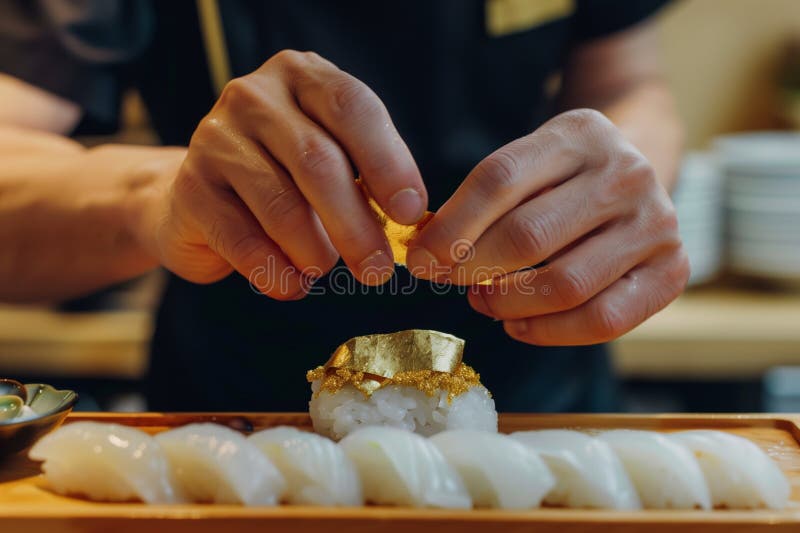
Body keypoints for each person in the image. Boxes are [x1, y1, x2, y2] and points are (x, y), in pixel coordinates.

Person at [0, 0, 687, 412]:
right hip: (240, 419)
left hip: (538, 398)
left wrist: (621, 177)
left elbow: (627, 80)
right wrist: (163, 194)